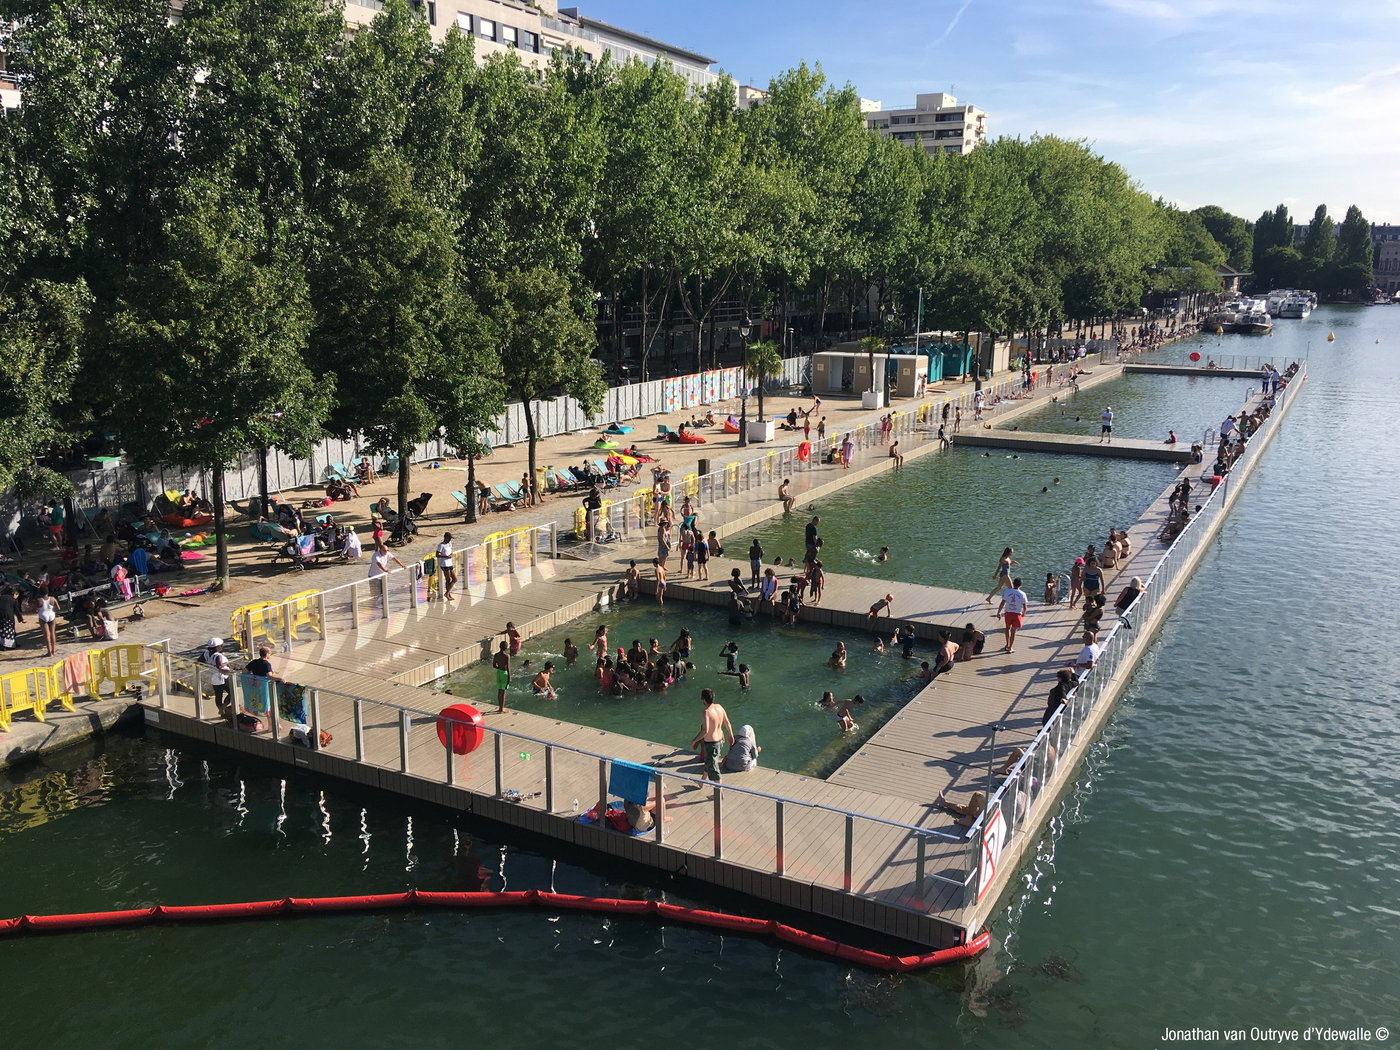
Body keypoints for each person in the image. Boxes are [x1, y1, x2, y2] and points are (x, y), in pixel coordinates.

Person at [690, 689, 734, 783]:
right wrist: (731, 735)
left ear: (704, 700)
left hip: (712, 743)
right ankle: (701, 782)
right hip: (720, 740)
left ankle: (719, 794)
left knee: (714, 769)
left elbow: (705, 730)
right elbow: (727, 722)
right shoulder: (719, 707)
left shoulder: (706, 712)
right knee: (709, 762)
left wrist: (694, 740)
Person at [202, 638, 233, 720]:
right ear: (218, 647)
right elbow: (219, 666)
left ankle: (221, 713)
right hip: (222, 677)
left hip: (214, 678)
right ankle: (223, 707)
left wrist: (209, 665)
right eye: (221, 645)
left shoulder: (206, 654)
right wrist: (226, 664)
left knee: (218, 695)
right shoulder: (218, 656)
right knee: (232, 693)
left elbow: (200, 661)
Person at [997, 576, 1029, 653]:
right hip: (1017, 614)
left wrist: (998, 612)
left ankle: (1007, 644)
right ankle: (1010, 647)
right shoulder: (1022, 594)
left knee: (1007, 628)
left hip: (1008, 612)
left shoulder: (1007, 591)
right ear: (1021, 585)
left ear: (1013, 583)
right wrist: (1024, 613)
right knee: (1013, 631)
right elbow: (1025, 607)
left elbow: (1002, 603)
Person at [436, 532, 457, 601]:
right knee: (448, 579)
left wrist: (451, 555)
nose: (450, 540)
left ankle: (447, 593)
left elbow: (450, 551)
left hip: (450, 563)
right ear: (445, 537)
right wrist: (445, 556)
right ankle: (448, 594)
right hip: (444, 564)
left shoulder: (449, 543)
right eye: (449, 538)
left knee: (454, 579)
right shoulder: (441, 545)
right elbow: (437, 554)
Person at [492, 641, 511, 713]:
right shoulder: (506, 656)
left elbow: (494, 665)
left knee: (499, 691)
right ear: (506, 648)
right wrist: (509, 677)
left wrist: (499, 668)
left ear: (499, 647)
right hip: (504, 673)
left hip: (498, 673)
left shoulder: (496, 655)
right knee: (503, 692)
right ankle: (501, 709)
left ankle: (500, 707)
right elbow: (508, 667)